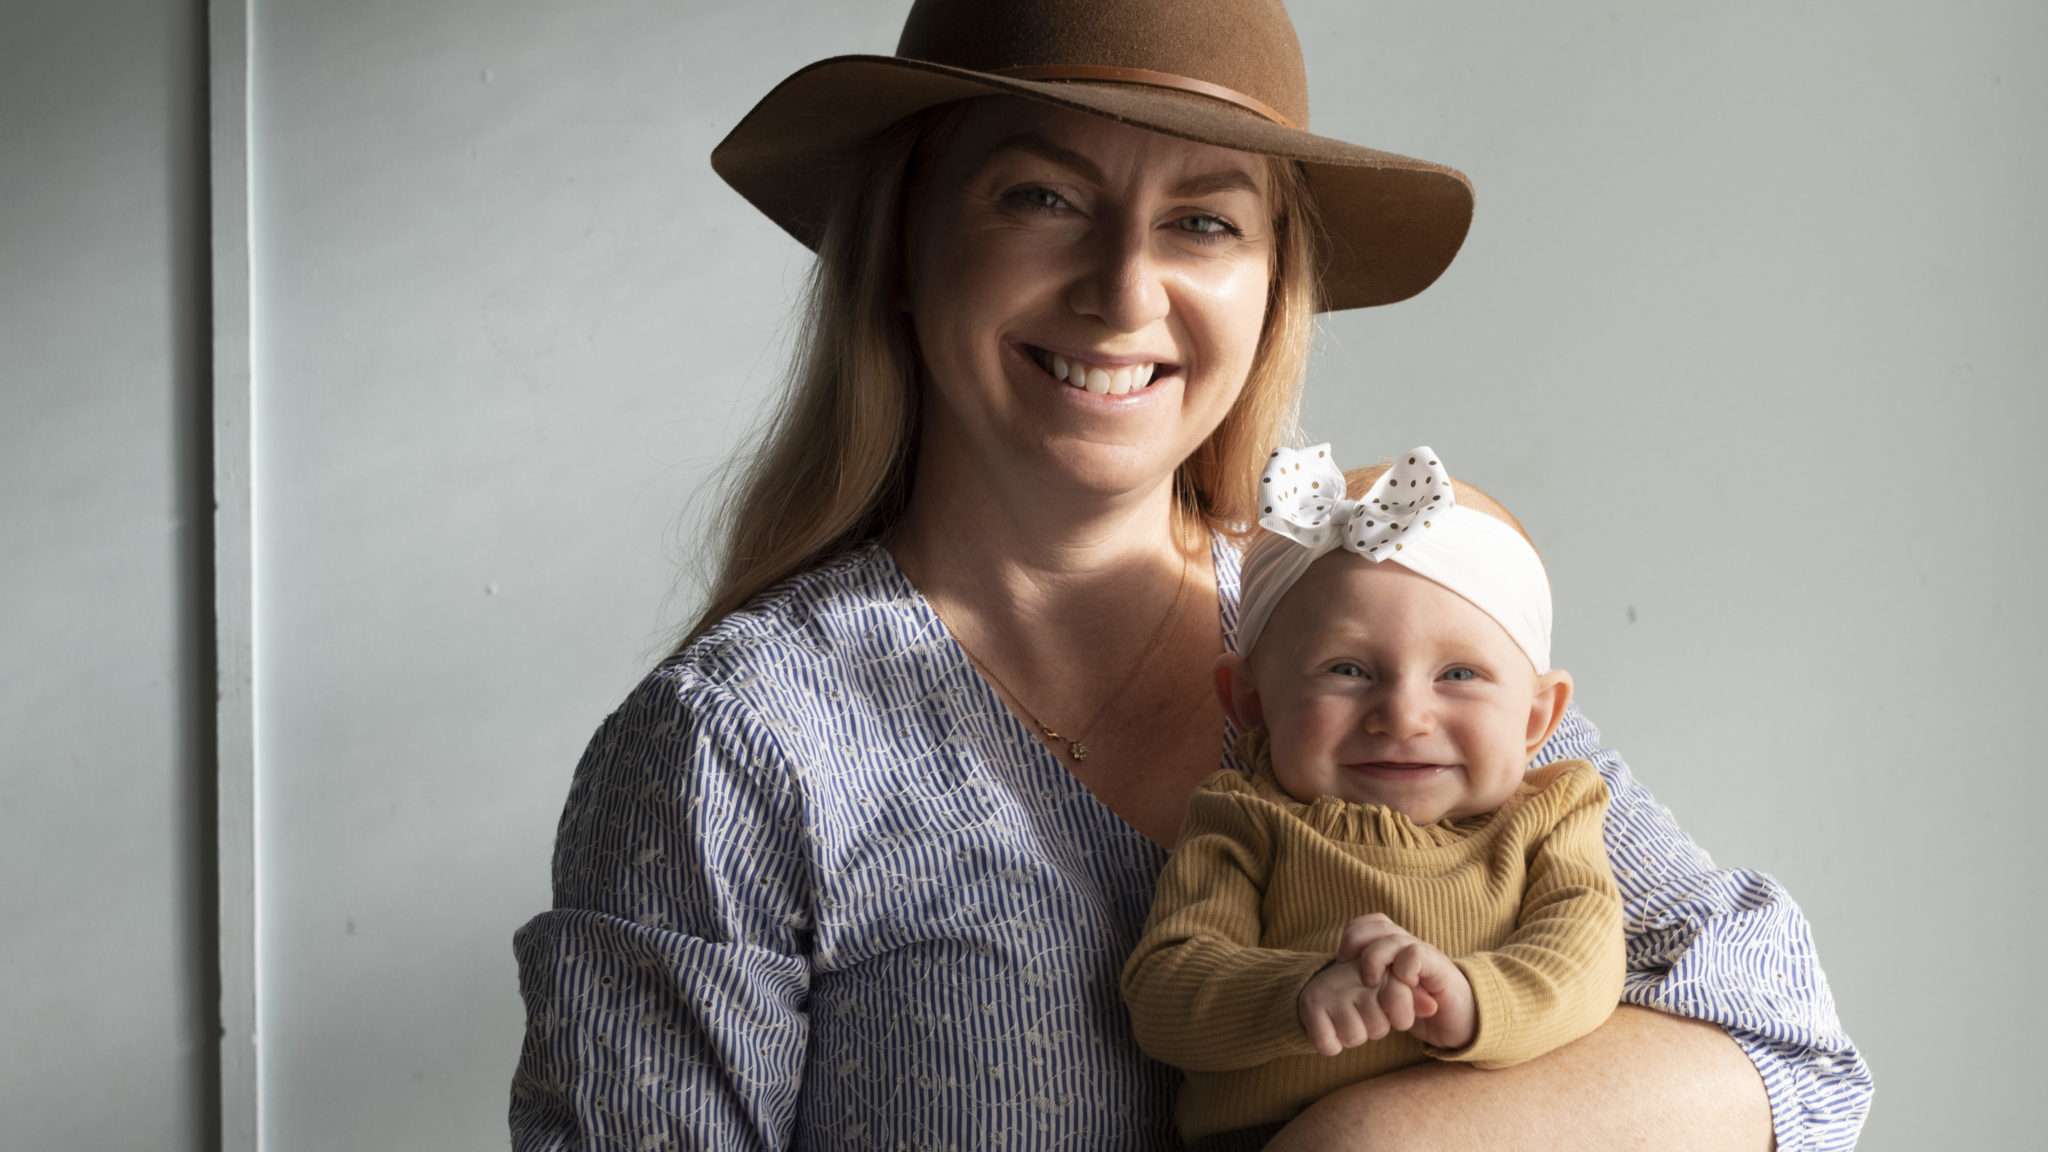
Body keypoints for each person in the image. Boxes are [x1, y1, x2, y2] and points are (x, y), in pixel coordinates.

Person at [510, 1, 1871, 1149]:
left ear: (1274, 287)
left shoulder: (1387, 612)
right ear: (906, 252)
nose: (1124, 288)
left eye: (1205, 223)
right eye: (1041, 196)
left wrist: (1367, 1139)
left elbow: (1790, 1049)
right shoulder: (742, 745)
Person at [1122, 444, 1625, 1149]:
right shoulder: (1245, 819)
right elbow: (1166, 985)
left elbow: (1586, 957)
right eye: (1348, 669)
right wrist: (1299, 993)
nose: (1403, 715)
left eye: (1458, 674)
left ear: (1538, 718)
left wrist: (1475, 999)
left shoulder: (1549, 817)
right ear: (1253, 703)